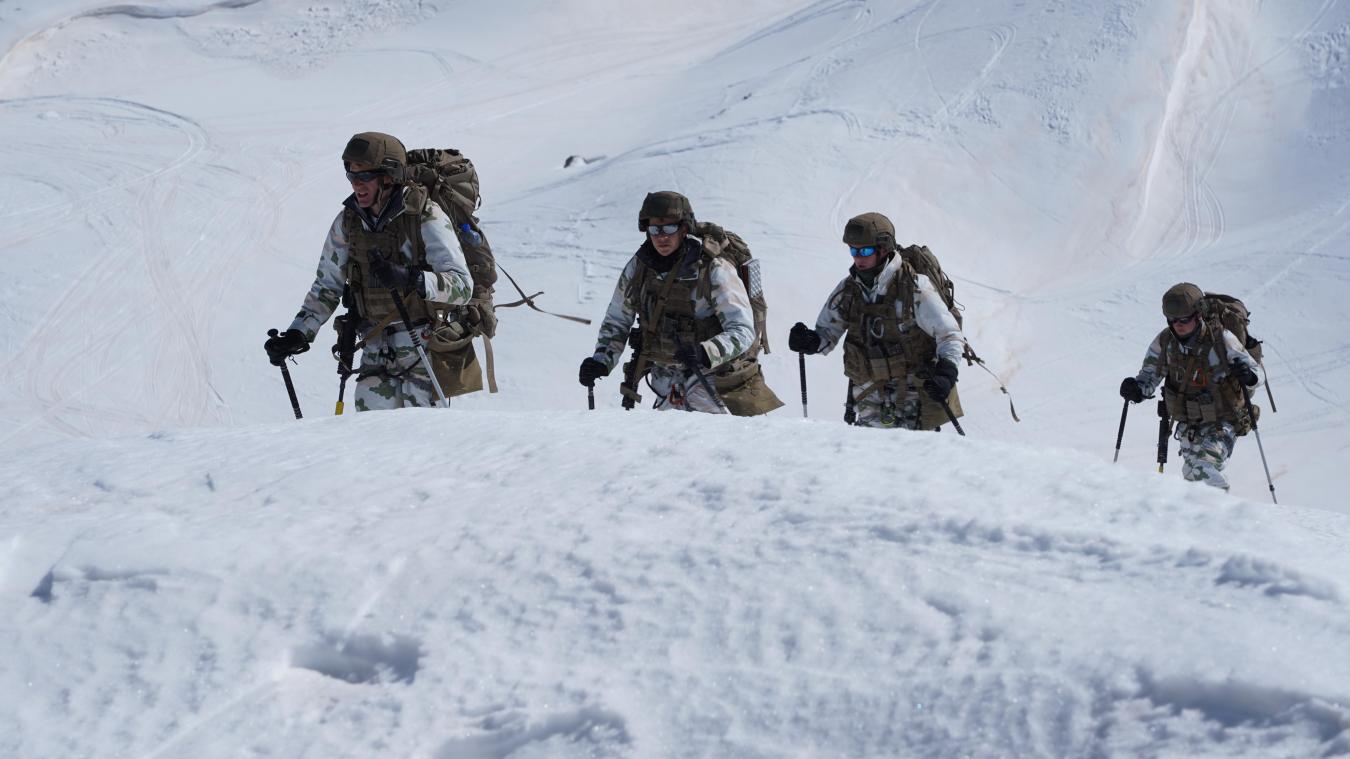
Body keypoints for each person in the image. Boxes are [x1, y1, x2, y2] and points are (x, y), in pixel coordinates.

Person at [264, 132, 473, 410]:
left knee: (425, 434)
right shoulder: (348, 221)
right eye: (351, 176)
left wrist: (413, 279)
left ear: (389, 176)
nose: (356, 185)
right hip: (375, 348)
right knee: (370, 433)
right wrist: (298, 334)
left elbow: (463, 286)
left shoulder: (424, 215)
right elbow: (327, 287)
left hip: (424, 347)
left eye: (364, 177)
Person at [578, 191, 780, 414]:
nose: (661, 237)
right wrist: (601, 360)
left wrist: (706, 352)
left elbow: (743, 330)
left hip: (712, 379)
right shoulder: (639, 268)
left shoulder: (712, 269)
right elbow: (617, 320)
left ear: (684, 229)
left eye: (669, 228)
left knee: (711, 434)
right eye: (655, 229)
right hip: (665, 381)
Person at [788, 212, 965, 430]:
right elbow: (827, 334)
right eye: (853, 251)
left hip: (914, 397)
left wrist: (946, 373)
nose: (858, 258)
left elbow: (950, 335)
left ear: (884, 248)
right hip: (868, 397)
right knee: (868, 452)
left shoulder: (914, 287)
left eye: (865, 251)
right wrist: (810, 341)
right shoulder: (848, 290)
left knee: (913, 451)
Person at [1119, 283, 1261, 490]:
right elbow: (1149, 376)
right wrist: (1137, 390)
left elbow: (1258, 374)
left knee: (1203, 470)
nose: (1178, 325)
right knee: (1192, 477)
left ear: (1199, 314)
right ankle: (1201, 510)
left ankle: (1216, 510)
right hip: (1188, 426)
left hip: (1222, 422)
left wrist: (1248, 375)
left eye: (1184, 319)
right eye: (1172, 320)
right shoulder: (1165, 342)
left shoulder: (1221, 339)